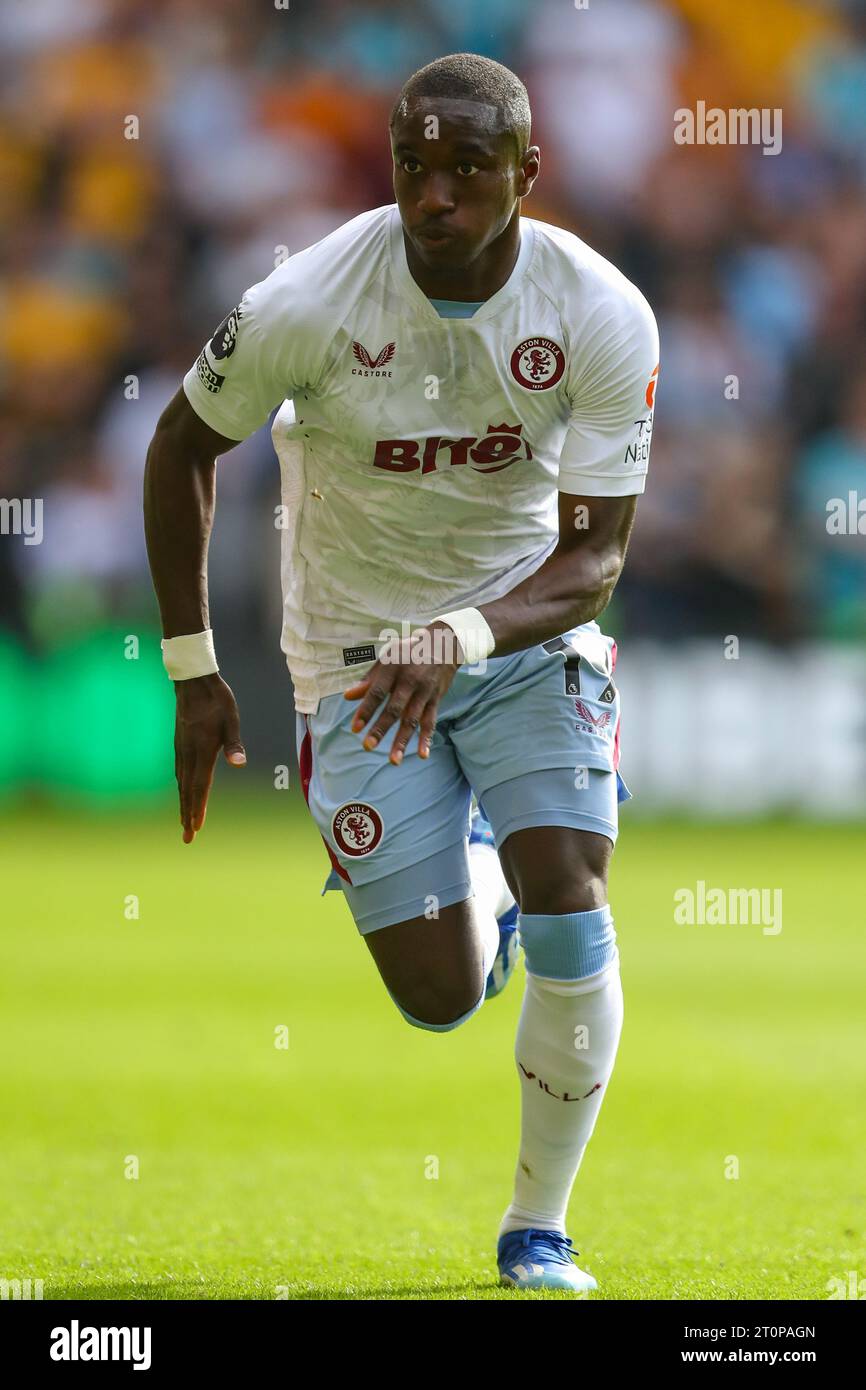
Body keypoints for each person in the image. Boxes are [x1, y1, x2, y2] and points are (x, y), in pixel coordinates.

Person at [143, 52, 659, 1294]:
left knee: (570, 897)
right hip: (358, 658)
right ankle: (477, 885)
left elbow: (592, 560)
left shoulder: (597, 311)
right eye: (412, 166)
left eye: (468, 168)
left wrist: (464, 635)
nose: (434, 195)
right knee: (436, 998)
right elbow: (179, 447)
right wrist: (194, 670)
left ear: (526, 172)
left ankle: (537, 1230)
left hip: (522, 637)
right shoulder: (307, 299)